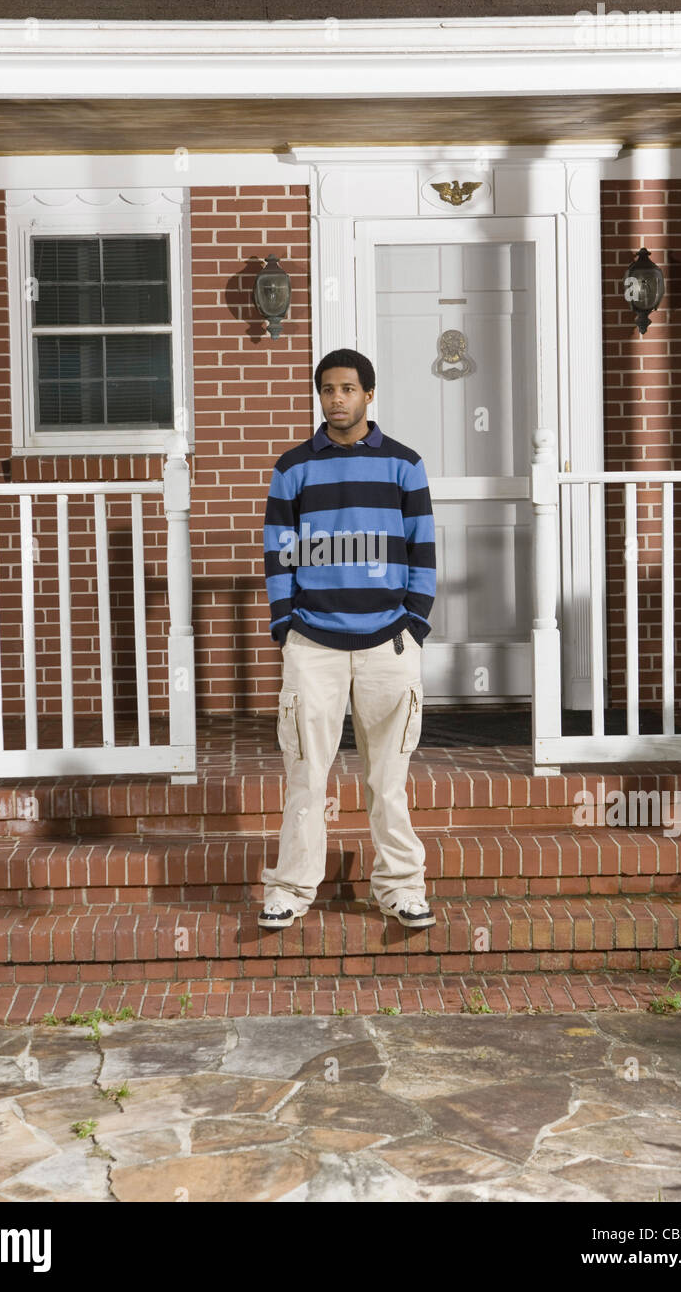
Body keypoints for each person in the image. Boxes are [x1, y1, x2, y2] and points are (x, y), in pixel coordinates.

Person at [260, 347, 437, 930]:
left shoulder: (404, 466)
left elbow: (422, 551)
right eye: (327, 389)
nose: (336, 399)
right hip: (313, 643)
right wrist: (286, 627)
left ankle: (401, 888)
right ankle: (289, 888)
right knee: (306, 775)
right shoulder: (293, 468)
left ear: (368, 394)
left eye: (348, 389)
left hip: (389, 641)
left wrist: (414, 622)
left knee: (389, 780)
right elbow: (279, 554)